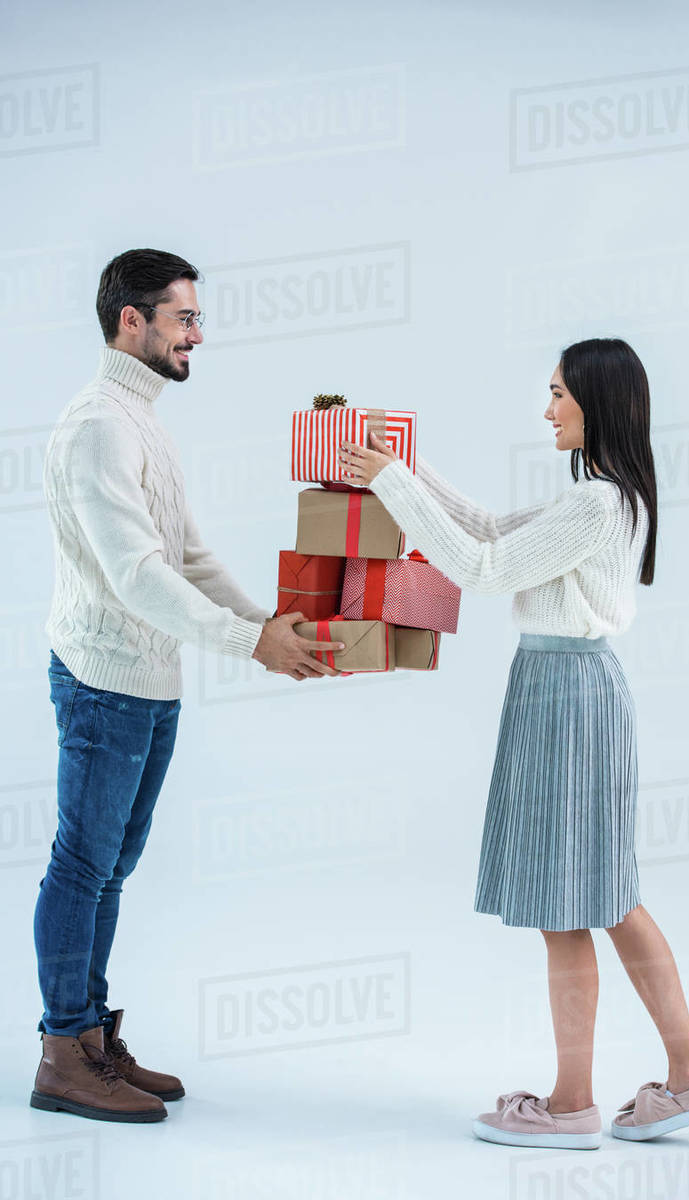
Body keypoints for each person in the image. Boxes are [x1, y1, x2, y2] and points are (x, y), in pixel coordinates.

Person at [338, 337, 689, 1150]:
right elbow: (486, 529)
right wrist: (403, 464)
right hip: (568, 689)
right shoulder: (601, 496)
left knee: (571, 906)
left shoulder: (595, 505)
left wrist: (390, 483)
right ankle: (688, 1076)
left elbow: (482, 569)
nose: (547, 409)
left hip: (566, 696)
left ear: (597, 401)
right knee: (608, 898)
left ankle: (570, 1106)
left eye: (558, 393)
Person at [32, 248, 344, 1124]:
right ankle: (63, 1052)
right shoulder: (98, 426)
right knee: (83, 865)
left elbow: (188, 557)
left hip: (149, 678)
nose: (197, 335)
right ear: (131, 320)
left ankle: (92, 1037)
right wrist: (251, 643)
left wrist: (271, 626)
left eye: (196, 319)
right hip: (103, 681)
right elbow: (136, 576)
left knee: (111, 868)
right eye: (184, 318)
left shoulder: (143, 422)